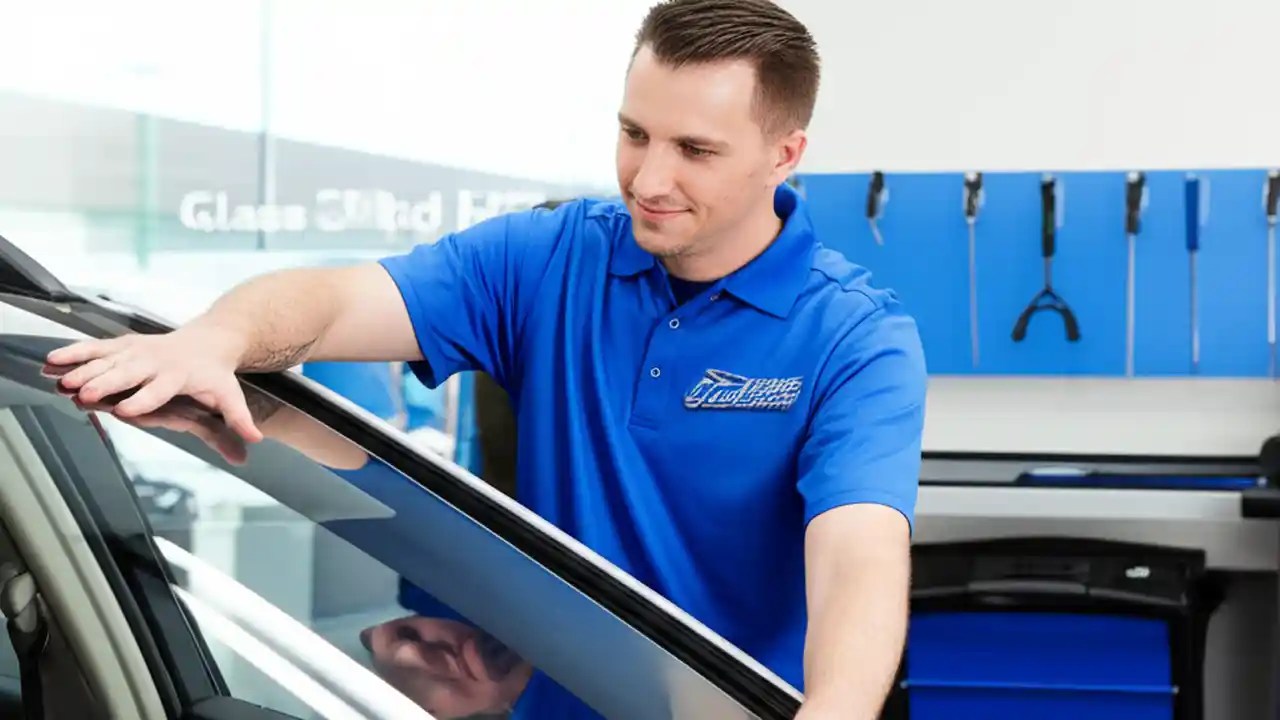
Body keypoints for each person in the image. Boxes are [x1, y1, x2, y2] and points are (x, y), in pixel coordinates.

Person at [44, 1, 927, 717]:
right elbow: (331, 303)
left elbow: (858, 558)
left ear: (785, 155)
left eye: (695, 151)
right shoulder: (547, 262)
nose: (648, 179)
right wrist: (216, 339)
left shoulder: (856, 338)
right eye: (634, 134)